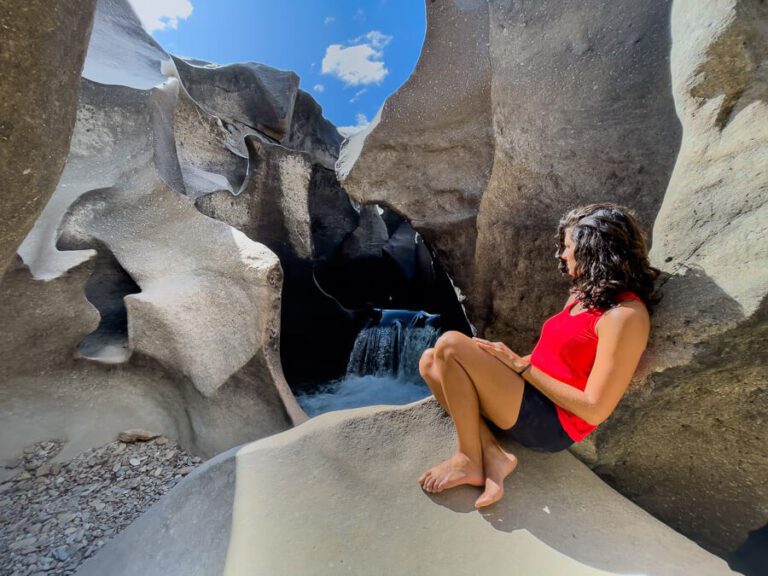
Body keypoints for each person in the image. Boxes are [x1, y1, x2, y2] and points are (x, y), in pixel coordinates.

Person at [417, 203, 659, 508]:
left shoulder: (625, 316)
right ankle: (493, 454)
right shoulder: (583, 295)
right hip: (530, 392)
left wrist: (520, 367)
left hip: (554, 423)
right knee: (430, 360)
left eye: (568, 246)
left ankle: (467, 460)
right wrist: (508, 364)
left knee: (451, 344)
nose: (562, 254)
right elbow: (555, 356)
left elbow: (595, 409)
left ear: (594, 251)